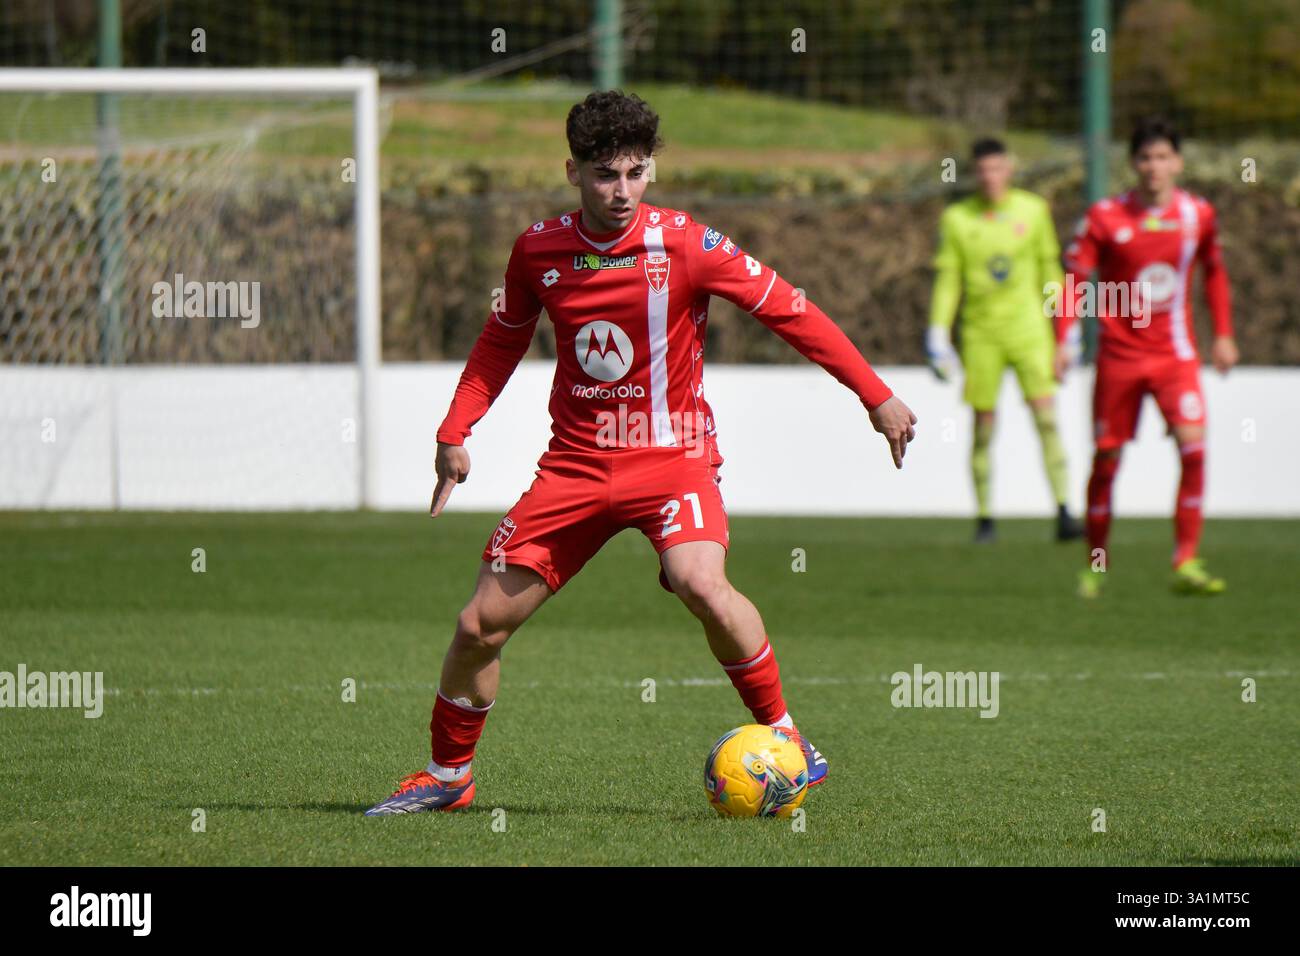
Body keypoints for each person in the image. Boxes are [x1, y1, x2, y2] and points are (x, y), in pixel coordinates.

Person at [365, 90, 917, 814]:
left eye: (633, 172)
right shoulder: (538, 249)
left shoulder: (688, 244)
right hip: (576, 465)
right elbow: (501, 339)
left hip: (672, 459)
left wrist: (874, 395)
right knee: (478, 626)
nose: (620, 190)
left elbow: (790, 308)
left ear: (651, 171)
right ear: (573, 172)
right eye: (604, 175)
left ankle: (786, 737)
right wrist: (454, 432)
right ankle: (447, 777)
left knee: (700, 581)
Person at [1057, 117, 1236, 598]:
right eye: (1144, 158)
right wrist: (1063, 338)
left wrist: (1223, 334)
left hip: (1175, 358)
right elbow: (1075, 281)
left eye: (1162, 157)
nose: (1154, 167)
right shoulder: (1105, 217)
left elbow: (1215, 272)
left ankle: (1187, 561)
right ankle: (1095, 563)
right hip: (1118, 360)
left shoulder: (1198, 214)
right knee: (1108, 460)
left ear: (1177, 162)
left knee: (1194, 448)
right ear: (1133, 164)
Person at [927, 138, 1082, 543]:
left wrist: (1067, 331)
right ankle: (984, 518)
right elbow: (949, 281)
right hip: (981, 335)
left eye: (998, 168)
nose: (991, 177)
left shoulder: (1033, 210)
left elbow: (1051, 272)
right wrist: (938, 332)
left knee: (1047, 419)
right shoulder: (958, 219)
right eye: (983, 170)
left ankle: (1065, 511)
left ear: (1010, 168)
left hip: (1029, 332)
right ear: (975, 174)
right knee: (983, 427)